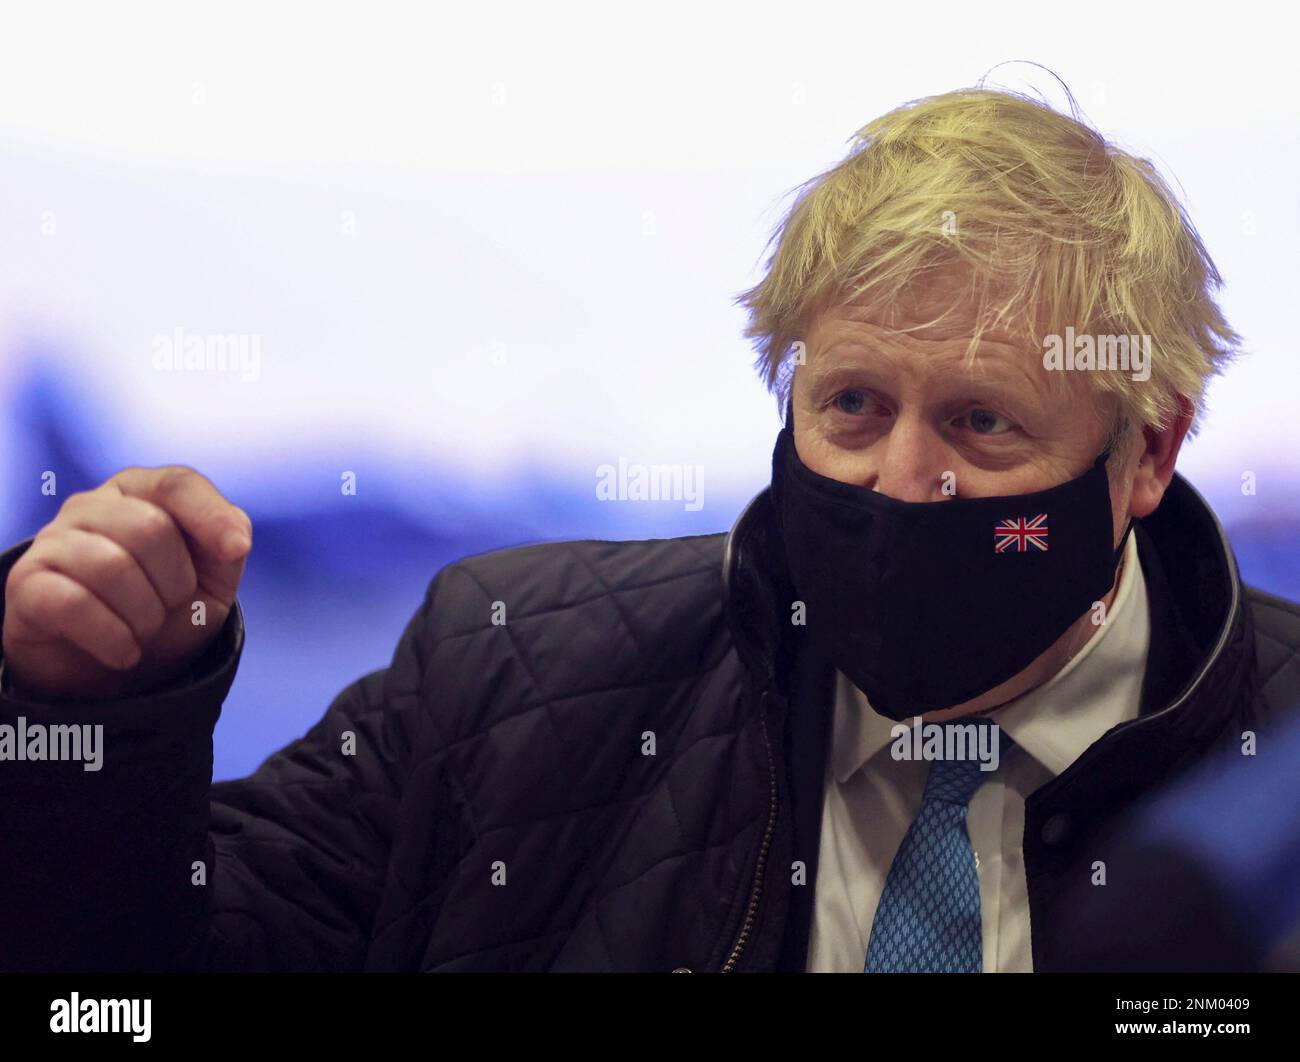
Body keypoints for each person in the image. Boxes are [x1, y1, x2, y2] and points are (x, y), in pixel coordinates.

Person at [2, 86, 1298, 973]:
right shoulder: (506, 678)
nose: (904, 482)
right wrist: (95, 721)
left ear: (1151, 449)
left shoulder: (1280, 768)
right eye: (851, 405)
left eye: (980, 422)